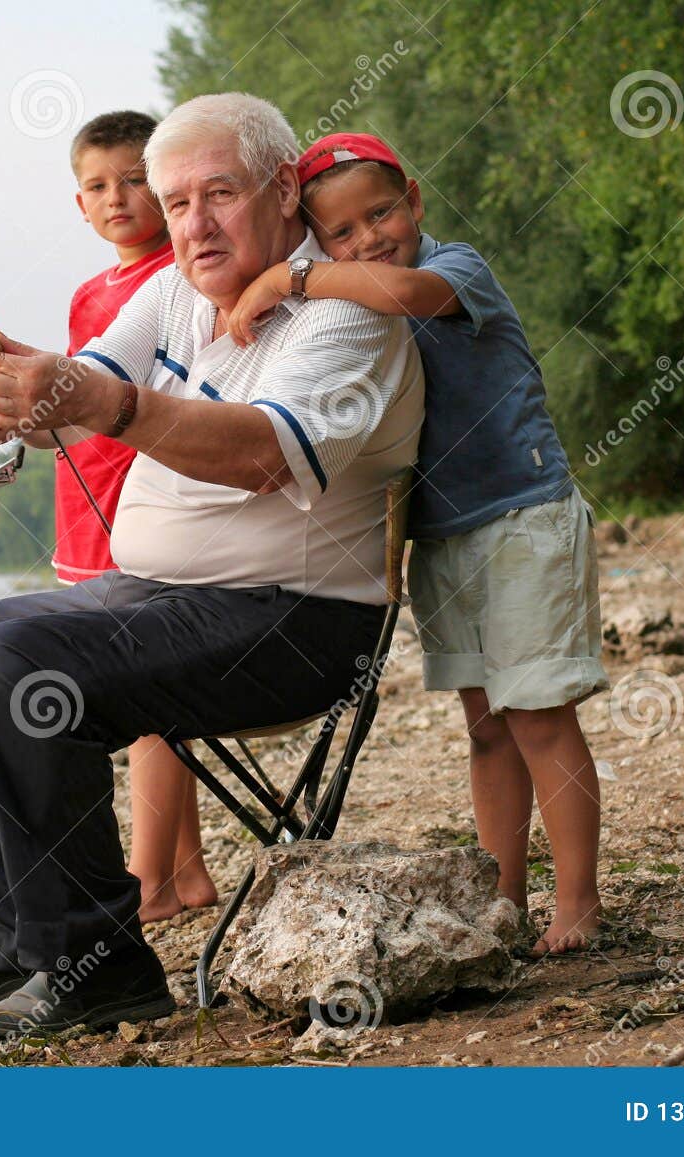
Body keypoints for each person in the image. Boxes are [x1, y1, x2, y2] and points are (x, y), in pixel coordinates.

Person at [0, 94, 423, 1035]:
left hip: (295, 619)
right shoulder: (174, 290)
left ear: (286, 191)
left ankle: (100, 970)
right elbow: (79, 387)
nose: (194, 223)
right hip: (170, 597)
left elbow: (261, 452)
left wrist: (106, 404)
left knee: (19, 663)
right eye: (177, 203)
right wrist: (9, 399)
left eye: (219, 193)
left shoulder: (346, 312)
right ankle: (2, 942)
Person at [228, 131, 609, 957]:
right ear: (320, 237)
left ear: (416, 202)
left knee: (540, 715)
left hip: (522, 517)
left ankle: (576, 902)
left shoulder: (453, 268)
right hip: (442, 539)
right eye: (341, 232)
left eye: (382, 212)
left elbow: (403, 289)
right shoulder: (343, 315)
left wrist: (287, 275)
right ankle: (503, 898)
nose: (368, 237)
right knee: (485, 728)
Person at [59, 110, 218, 924]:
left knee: (148, 695)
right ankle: (187, 871)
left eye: (132, 180)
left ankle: (147, 877)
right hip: (82, 510)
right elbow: (72, 394)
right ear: (77, 204)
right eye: (97, 186)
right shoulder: (90, 293)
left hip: (145, 507)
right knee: (149, 698)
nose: (117, 197)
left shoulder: (182, 277)